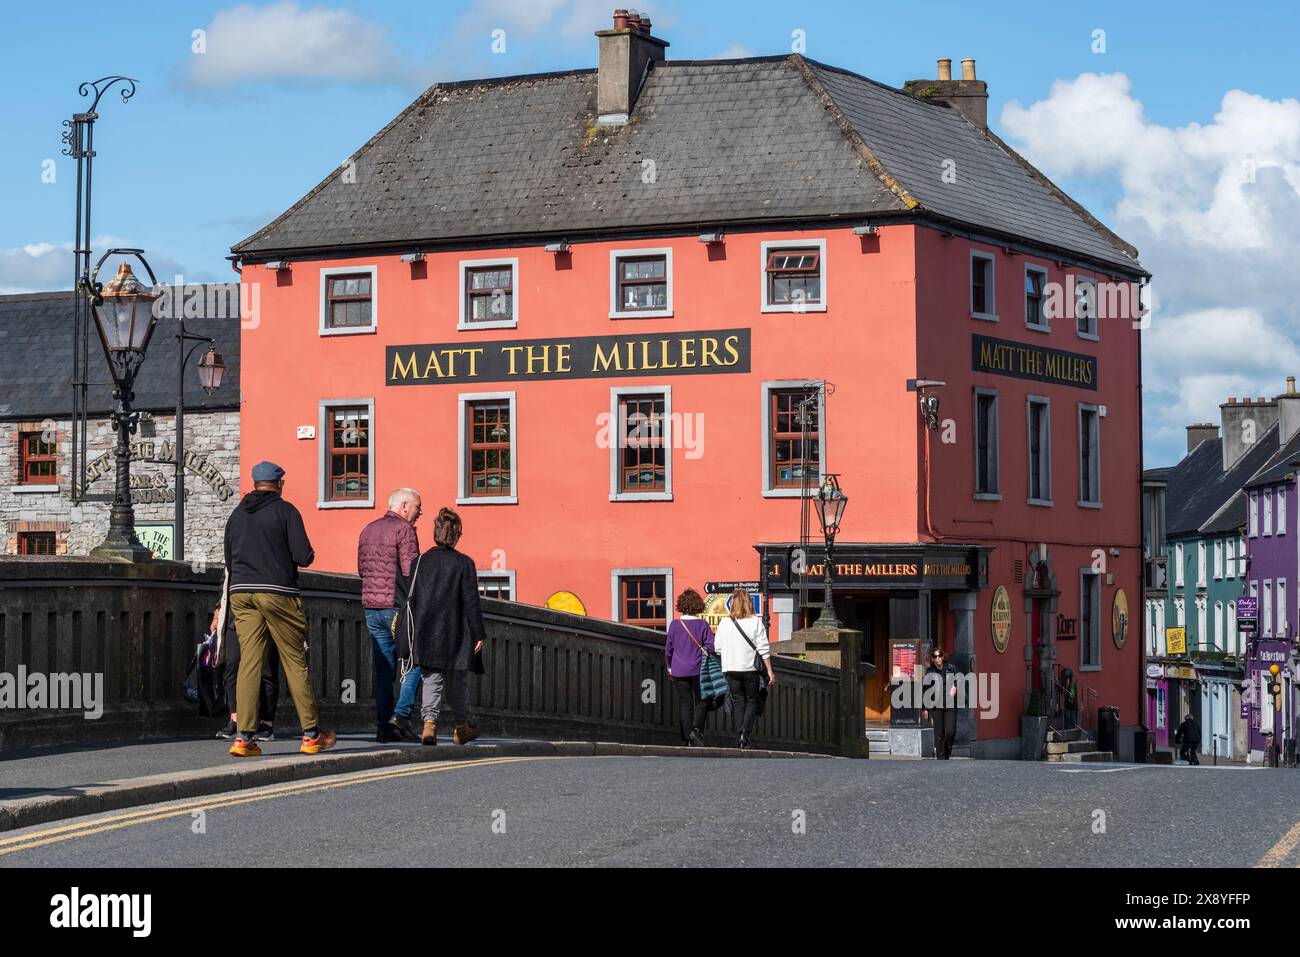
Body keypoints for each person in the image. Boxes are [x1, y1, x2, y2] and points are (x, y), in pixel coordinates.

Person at [223, 461, 336, 758]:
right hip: (277, 592)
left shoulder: (236, 516)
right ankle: (311, 734)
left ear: (254, 483)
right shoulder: (286, 511)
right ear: (279, 484)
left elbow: (228, 560)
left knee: (249, 661)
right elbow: (303, 555)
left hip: (241, 592)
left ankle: (244, 736)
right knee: (294, 659)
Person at [401, 507, 486, 747]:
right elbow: (471, 601)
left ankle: (429, 726)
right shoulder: (464, 564)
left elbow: (413, 597)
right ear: (457, 534)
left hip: (427, 628)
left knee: (431, 680)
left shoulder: (422, 562)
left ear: (436, 532)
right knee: (457, 682)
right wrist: (478, 633)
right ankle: (461, 727)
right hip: (456, 631)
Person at [358, 488, 424, 743]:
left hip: (371, 606)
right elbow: (411, 572)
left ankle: (384, 727)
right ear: (405, 505)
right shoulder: (404, 530)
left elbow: (362, 568)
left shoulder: (368, 529)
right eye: (418, 507)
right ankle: (402, 715)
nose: (420, 512)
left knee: (384, 669)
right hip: (396, 608)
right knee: (416, 661)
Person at [209, 597, 280, 740]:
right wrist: (218, 612)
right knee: (231, 666)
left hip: (265, 612)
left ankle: (266, 723)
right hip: (234, 614)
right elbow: (225, 580)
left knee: (267, 669)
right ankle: (235, 719)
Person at [712, 590, 775, 749]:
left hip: (730, 669)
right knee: (752, 701)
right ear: (749, 603)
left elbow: (717, 648)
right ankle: (745, 734)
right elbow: (763, 649)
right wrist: (769, 671)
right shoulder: (755, 622)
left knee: (738, 702)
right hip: (749, 668)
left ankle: (739, 735)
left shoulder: (725, 623)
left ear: (732, 603)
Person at [664, 588, 714, 747]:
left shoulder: (675, 624)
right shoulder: (703, 625)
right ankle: (696, 730)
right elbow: (711, 646)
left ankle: (686, 738)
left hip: (679, 670)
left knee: (685, 703)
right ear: (697, 605)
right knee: (702, 700)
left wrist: (670, 668)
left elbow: (668, 649)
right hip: (698, 669)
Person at [921, 646, 959, 760]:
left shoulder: (951, 668)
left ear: (942, 657)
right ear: (932, 658)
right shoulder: (929, 672)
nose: (937, 658)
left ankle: (947, 753)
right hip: (936, 706)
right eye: (935, 656)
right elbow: (925, 691)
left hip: (950, 705)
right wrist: (925, 709)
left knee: (950, 732)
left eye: (939, 656)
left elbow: (959, 682)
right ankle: (941, 758)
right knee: (939, 733)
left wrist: (955, 687)